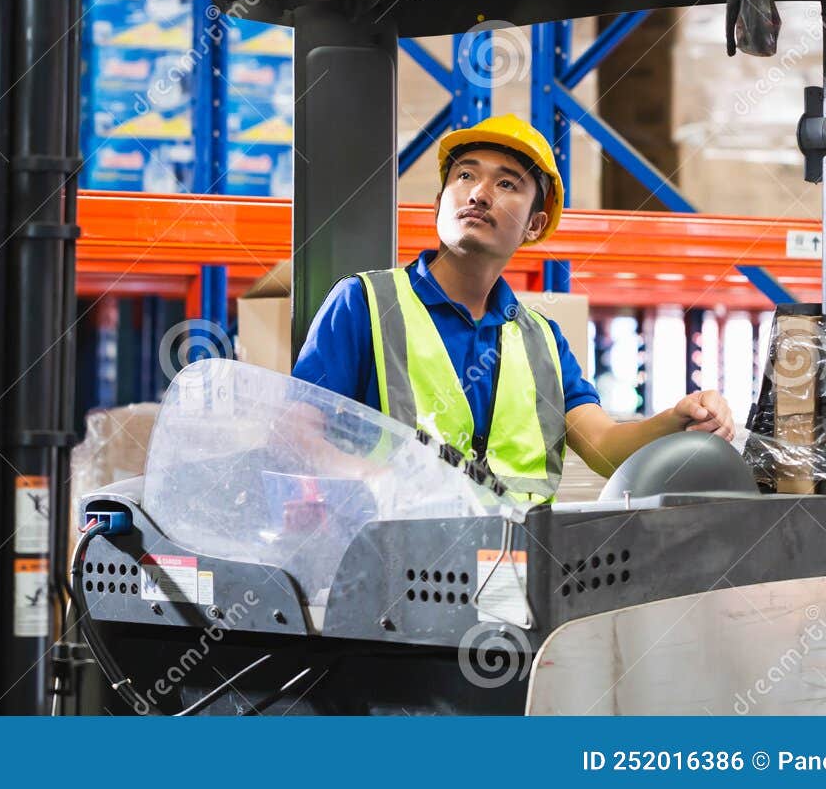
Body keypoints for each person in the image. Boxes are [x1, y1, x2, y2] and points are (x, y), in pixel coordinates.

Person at [292, 113, 735, 503]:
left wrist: (677, 417)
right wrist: (367, 477)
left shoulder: (541, 340)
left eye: (506, 184)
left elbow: (604, 446)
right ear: (438, 205)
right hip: (395, 568)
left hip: (517, 573)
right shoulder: (365, 304)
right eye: (465, 176)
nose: (479, 194)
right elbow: (296, 430)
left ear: (535, 225)